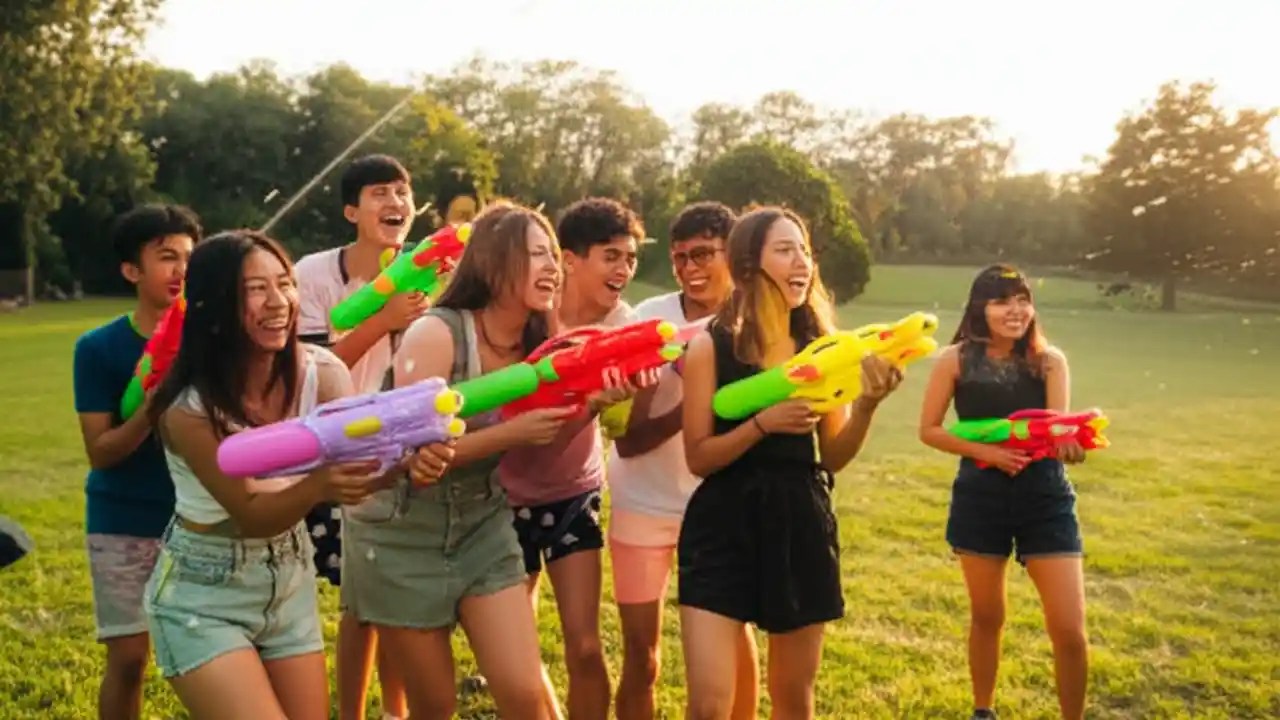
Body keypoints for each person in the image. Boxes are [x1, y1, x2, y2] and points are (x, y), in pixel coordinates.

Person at [142, 229, 450, 719]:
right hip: (203, 591)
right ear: (214, 306)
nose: (278, 301)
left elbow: (359, 467)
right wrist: (319, 485)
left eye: (284, 283)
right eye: (254, 289)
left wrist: (408, 464)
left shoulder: (322, 373)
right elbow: (252, 514)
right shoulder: (189, 409)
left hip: (288, 580)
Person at [343, 200, 582, 720]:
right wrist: (511, 433)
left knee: (524, 695)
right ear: (494, 263)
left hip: (482, 525)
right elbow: (412, 456)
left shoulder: (540, 341)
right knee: (435, 706)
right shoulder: (439, 332)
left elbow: (543, 442)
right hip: (400, 531)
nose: (551, 267)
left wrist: (593, 407)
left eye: (552, 256)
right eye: (535, 254)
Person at [678, 206, 904, 720]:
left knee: (793, 698)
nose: (801, 261)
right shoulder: (708, 349)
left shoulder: (824, 353)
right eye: (785, 249)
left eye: (804, 249)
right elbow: (698, 458)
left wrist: (866, 404)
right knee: (709, 705)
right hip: (721, 528)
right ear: (747, 263)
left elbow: (836, 456)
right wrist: (763, 423)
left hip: (799, 520)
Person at [607, 202, 759, 720]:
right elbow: (627, 441)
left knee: (735, 642)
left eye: (703, 254)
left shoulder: (754, 322)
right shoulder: (650, 318)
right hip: (641, 504)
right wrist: (684, 396)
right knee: (641, 657)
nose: (690, 268)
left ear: (732, 254)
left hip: (719, 508)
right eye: (679, 258)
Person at [917, 264, 1089, 720]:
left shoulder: (1050, 361)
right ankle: (983, 710)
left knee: (1069, 629)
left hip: (1045, 499)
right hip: (980, 498)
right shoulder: (954, 360)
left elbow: (1057, 432)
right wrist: (989, 454)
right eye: (1002, 300)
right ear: (980, 308)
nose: (1015, 310)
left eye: (1022, 299)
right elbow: (930, 431)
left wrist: (1070, 445)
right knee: (988, 616)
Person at [497, 197, 644, 719]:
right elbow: (523, 428)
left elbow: (621, 428)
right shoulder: (530, 315)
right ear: (570, 260)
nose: (623, 269)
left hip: (573, 497)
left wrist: (628, 400)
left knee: (584, 646)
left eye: (630, 258)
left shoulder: (625, 327)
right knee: (517, 647)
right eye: (611, 256)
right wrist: (589, 404)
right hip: (503, 498)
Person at [295, 153, 425, 720]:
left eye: (402, 192)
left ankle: (395, 712)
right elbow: (312, 364)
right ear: (352, 210)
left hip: (407, 448)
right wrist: (382, 319)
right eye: (379, 193)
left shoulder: (429, 271)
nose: (395, 202)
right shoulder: (314, 274)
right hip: (336, 448)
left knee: (398, 597)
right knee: (361, 598)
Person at [72, 203, 201, 720]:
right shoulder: (99, 348)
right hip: (123, 518)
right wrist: (153, 406)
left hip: (199, 519)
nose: (182, 270)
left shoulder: (210, 343)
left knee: (206, 656)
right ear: (132, 271)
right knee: (128, 660)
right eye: (167, 257)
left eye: (190, 257)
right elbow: (101, 452)